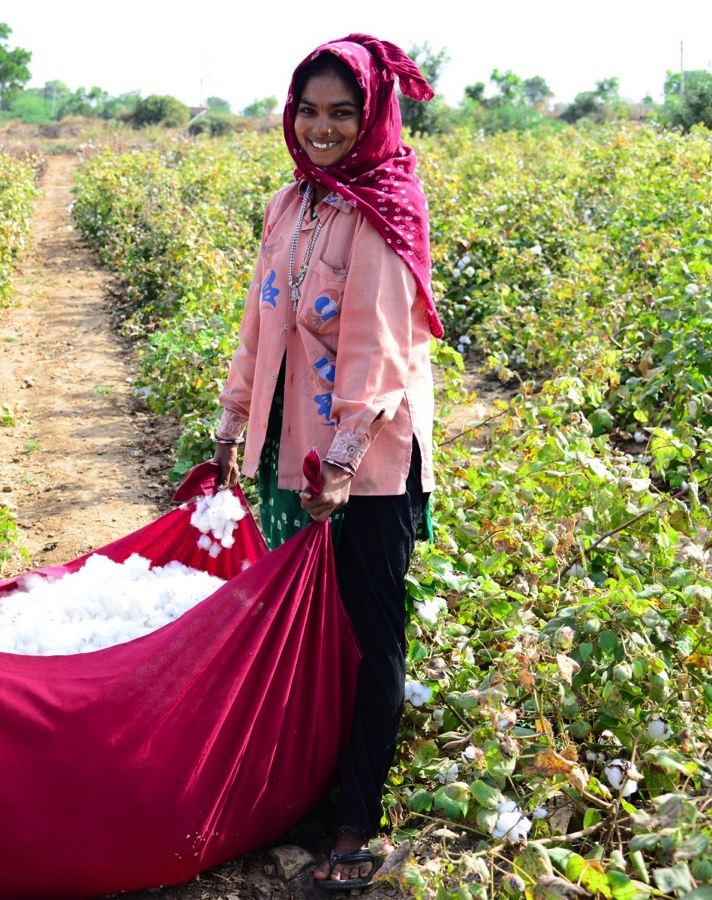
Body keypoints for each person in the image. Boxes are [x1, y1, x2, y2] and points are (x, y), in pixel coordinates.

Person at [211, 35, 441, 891]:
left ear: (374, 116)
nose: (322, 128)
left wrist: (341, 462)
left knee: (370, 635)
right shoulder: (291, 202)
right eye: (309, 111)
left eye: (343, 113)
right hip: (290, 451)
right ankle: (306, 793)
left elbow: (378, 350)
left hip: (366, 467)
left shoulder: (383, 207)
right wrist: (234, 424)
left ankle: (355, 817)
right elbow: (259, 322)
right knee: (309, 633)